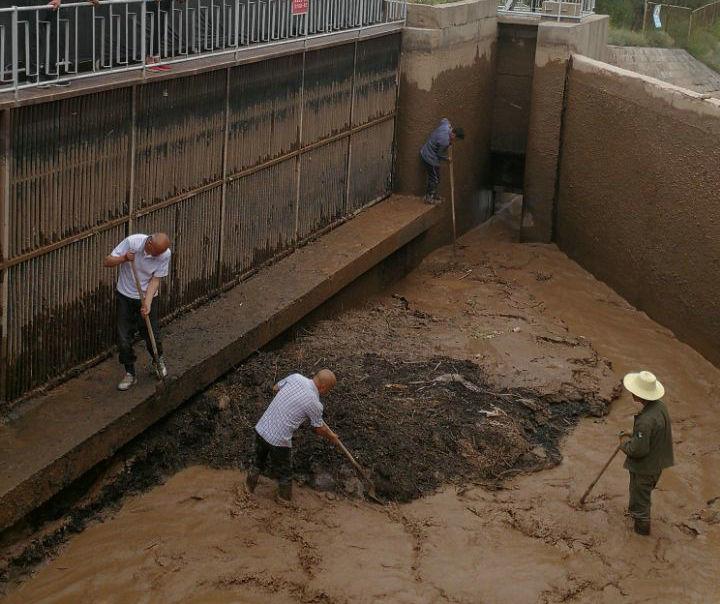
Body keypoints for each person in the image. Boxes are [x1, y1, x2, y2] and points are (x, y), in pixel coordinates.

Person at [247, 369, 340, 503]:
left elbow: (275, 388)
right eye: (328, 390)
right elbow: (318, 429)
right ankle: (284, 500)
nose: (326, 393)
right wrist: (331, 437)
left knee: (256, 462)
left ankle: (247, 489)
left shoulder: (295, 377)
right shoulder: (315, 403)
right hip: (278, 441)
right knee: (285, 474)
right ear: (323, 387)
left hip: (262, 428)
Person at [103, 233, 172, 391]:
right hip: (125, 296)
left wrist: (147, 303)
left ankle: (157, 359)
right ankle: (130, 373)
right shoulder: (132, 242)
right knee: (123, 337)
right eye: (155, 254)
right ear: (149, 245)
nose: (158, 257)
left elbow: (155, 279)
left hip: (147, 295)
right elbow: (107, 261)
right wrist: (124, 258)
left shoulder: (164, 254)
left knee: (151, 333)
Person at [619, 370, 674, 536]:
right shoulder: (659, 407)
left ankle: (641, 533)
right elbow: (653, 433)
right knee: (638, 493)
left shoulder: (645, 421)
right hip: (657, 462)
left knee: (641, 500)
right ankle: (634, 512)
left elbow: (638, 450)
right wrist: (636, 435)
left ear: (639, 394)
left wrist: (624, 443)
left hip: (646, 467)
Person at [420, 118, 465, 204]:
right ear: (454, 135)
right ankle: (429, 197)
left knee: (437, 178)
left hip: (430, 154)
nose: (455, 141)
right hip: (429, 157)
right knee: (434, 179)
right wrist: (447, 159)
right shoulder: (444, 141)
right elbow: (439, 154)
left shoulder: (446, 126)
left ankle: (434, 194)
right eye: (456, 139)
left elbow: (444, 120)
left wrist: (449, 125)